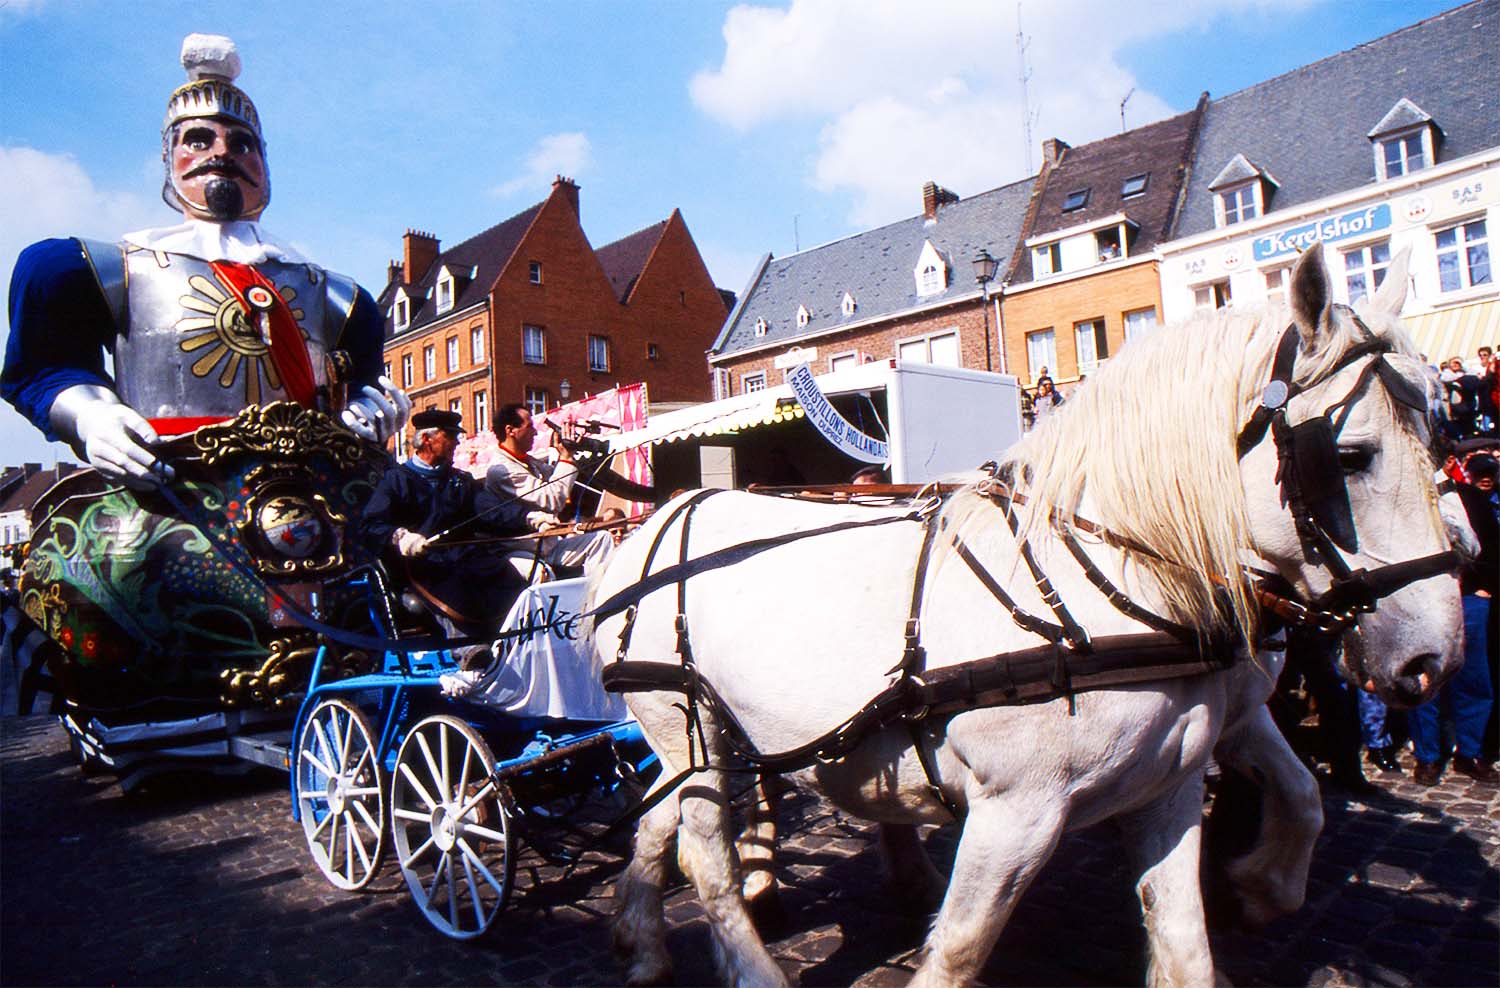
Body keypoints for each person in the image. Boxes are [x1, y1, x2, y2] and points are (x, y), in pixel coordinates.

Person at [3, 34, 408, 486]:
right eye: (198, 140)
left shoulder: (337, 296)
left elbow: (356, 387)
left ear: (264, 164)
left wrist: (367, 410)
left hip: (303, 498)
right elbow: (47, 365)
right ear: (168, 158)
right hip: (169, 496)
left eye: (242, 144)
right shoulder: (112, 271)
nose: (221, 153)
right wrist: (91, 416)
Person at [360, 409, 550, 638]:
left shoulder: (460, 480)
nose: (457, 443)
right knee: (454, 595)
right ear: (427, 440)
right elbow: (370, 525)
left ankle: (520, 638)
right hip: (424, 566)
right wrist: (401, 537)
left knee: (511, 584)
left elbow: (492, 510)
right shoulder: (397, 479)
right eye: (450, 436)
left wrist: (529, 517)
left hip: (468, 558)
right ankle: (469, 649)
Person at [1407, 453, 1498, 785]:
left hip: (1469, 599)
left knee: (1474, 679)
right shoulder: (1411, 500)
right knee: (1426, 679)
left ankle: (1469, 753)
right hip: (1426, 599)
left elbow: (1493, 544)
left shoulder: (1471, 497)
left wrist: (1487, 587)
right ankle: (1428, 757)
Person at [484, 403, 614, 576]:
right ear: (510, 430)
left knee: (601, 540)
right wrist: (566, 457)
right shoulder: (501, 470)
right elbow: (552, 499)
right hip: (518, 549)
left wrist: (565, 450)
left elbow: (558, 478)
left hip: (546, 546)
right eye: (529, 427)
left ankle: (598, 591)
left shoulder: (527, 461)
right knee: (541, 574)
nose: (535, 433)